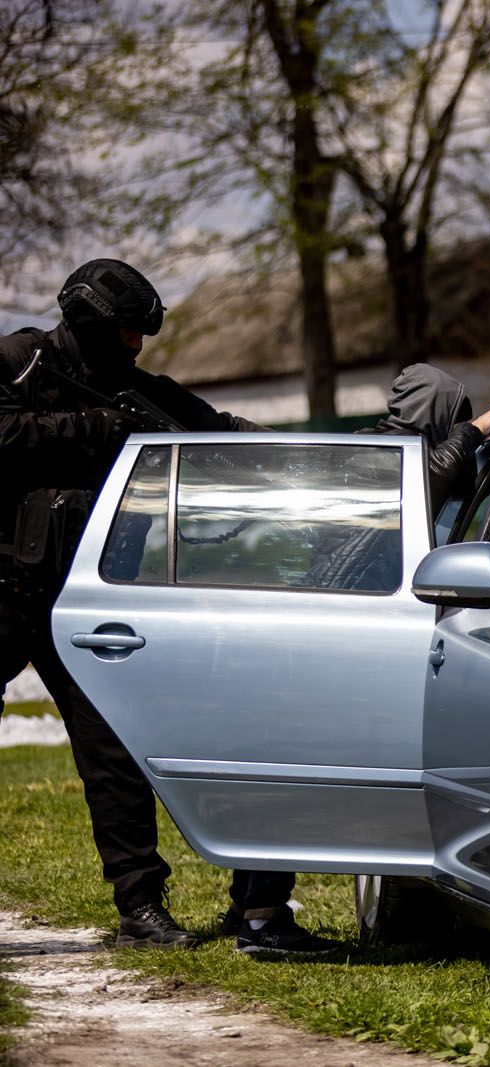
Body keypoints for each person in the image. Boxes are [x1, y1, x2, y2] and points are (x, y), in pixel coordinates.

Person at [0, 259, 338, 955]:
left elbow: (213, 428)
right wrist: (97, 427)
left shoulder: (137, 389)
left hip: (82, 599)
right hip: (5, 587)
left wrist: (320, 459)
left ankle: (140, 907)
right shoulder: (21, 361)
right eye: (126, 331)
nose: (135, 346)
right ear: (92, 322)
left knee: (113, 754)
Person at [361, 363, 490, 506]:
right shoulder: (382, 451)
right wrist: (474, 429)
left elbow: (461, 488)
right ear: (432, 412)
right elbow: (433, 475)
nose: (451, 429)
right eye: (449, 419)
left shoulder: (385, 444)